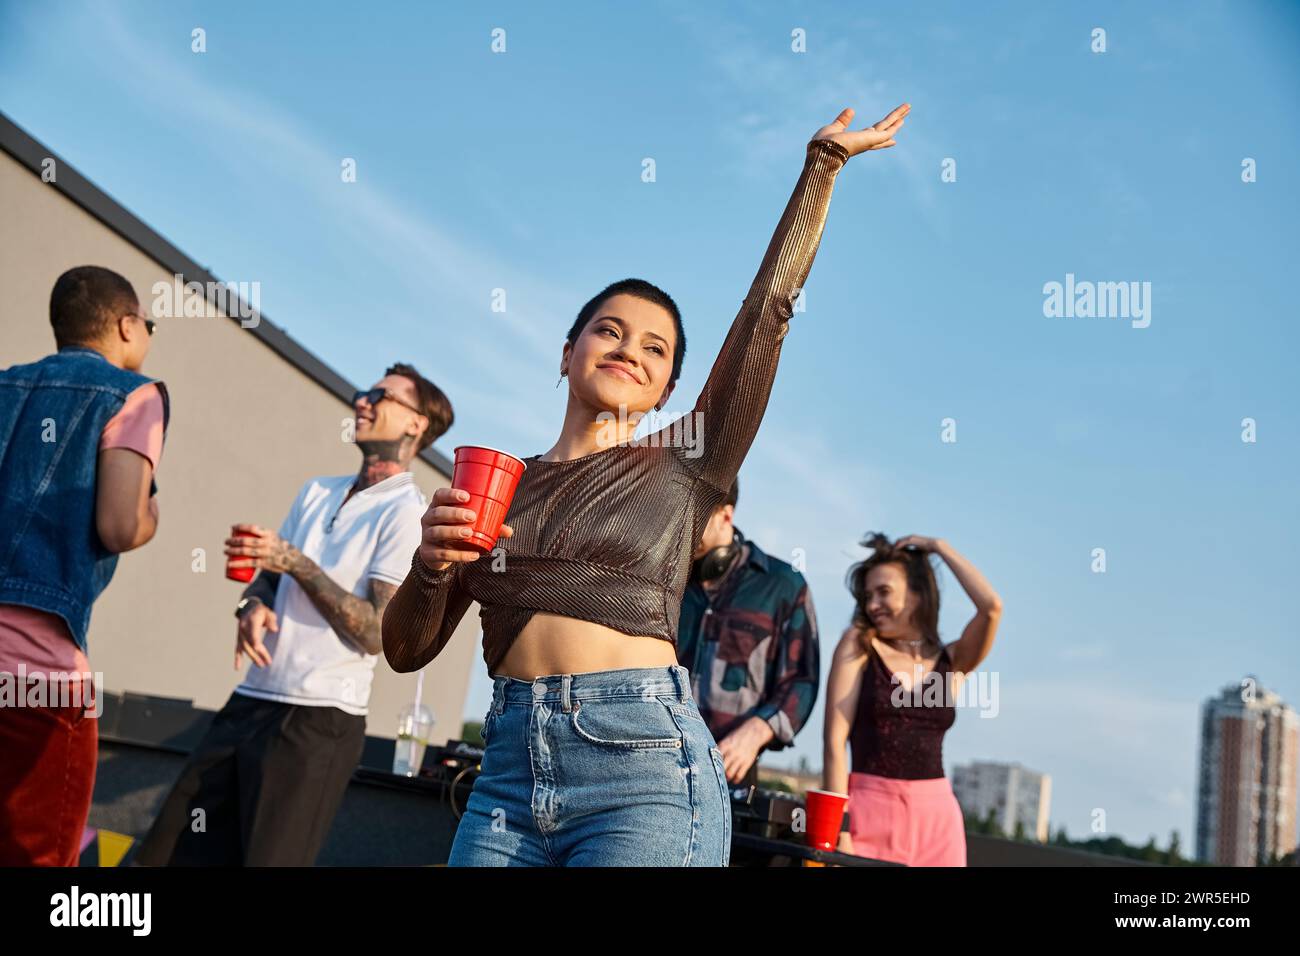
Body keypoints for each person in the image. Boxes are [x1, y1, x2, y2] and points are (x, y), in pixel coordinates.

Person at [383, 103, 910, 867]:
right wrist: (430, 571)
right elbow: (406, 651)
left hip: (644, 771)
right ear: (566, 353)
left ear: (666, 391)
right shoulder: (501, 487)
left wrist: (820, 167)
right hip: (505, 775)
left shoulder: (687, 461)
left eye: (656, 348)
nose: (629, 348)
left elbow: (767, 316)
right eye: (608, 330)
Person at [134, 364, 449, 866]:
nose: (362, 401)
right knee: (164, 855)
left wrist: (296, 562)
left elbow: (376, 633)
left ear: (416, 424)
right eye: (363, 392)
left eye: (379, 395)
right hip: (249, 703)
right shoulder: (317, 490)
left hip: (318, 722)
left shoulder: (406, 511)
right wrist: (251, 605)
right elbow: (268, 577)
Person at [0, 265, 168, 866]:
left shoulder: (4, 386)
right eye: (148, 323)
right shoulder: (135, 394)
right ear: (127, 326)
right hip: (38, 678)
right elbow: (119, 526)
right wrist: (152, 512)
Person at [823, 533, 1002, 866]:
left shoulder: (954, 660)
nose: (873, 604)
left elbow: (991, 608)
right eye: (868, 596)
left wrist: (939, 547)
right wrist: (840, 832)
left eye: (884, 592)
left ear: (917, 595)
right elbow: (834, 742)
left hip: (938, 824)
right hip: (867, 816)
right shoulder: (858, 646)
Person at [676, 477, 820, 794]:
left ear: (726, 516)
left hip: (731, 783)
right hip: (654, 770)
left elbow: (801, 681)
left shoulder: (783, 585)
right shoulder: (663, 580)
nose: (680, 525)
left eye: (692, 516)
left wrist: (757, 731)